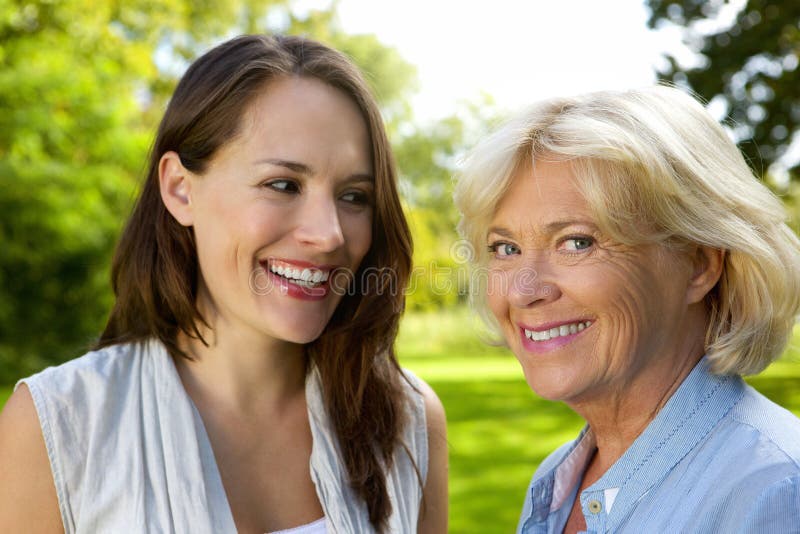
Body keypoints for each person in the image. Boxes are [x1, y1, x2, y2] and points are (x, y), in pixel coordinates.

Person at [0, 34, 447, 534]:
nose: (328, 235)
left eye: (355, 196)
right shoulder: (56, 427)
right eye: (283, 185)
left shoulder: (407, 421)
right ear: (179, 188)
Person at [453, 85, 800, 533]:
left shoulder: (773, 492)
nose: (524, 291)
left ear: (699, 265)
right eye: (506, 247)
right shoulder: (555, 482)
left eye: (577, 242)